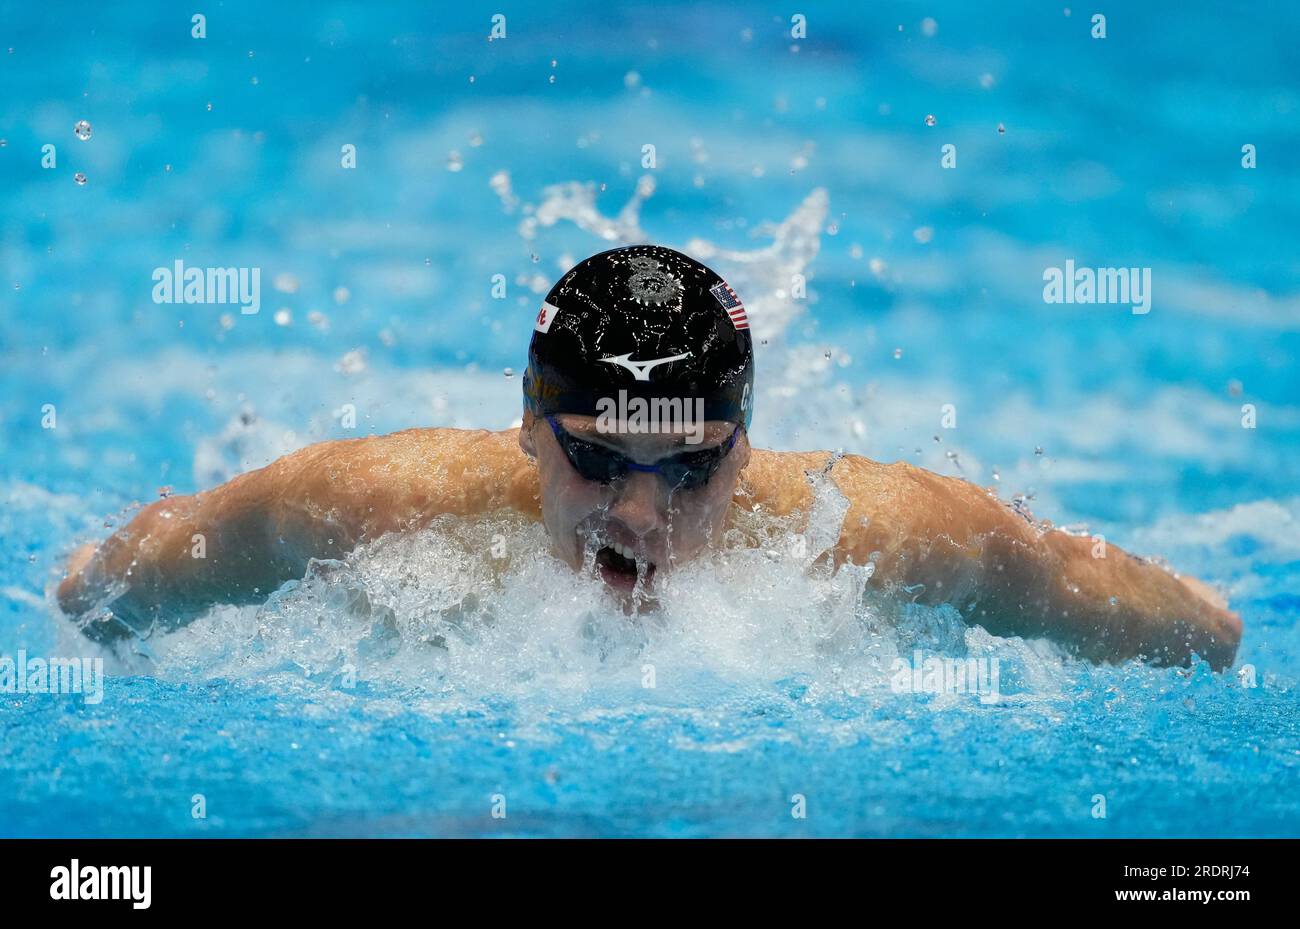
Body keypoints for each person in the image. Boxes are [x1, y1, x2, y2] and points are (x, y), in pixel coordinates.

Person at [56, 245, 1242, 669]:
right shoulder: (364, 504)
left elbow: (1191, 627)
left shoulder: (882, 535)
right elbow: (102, 586)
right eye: (596, 459)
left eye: (691, 468)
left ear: (745, 444)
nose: (641, 514)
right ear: (528, 420)